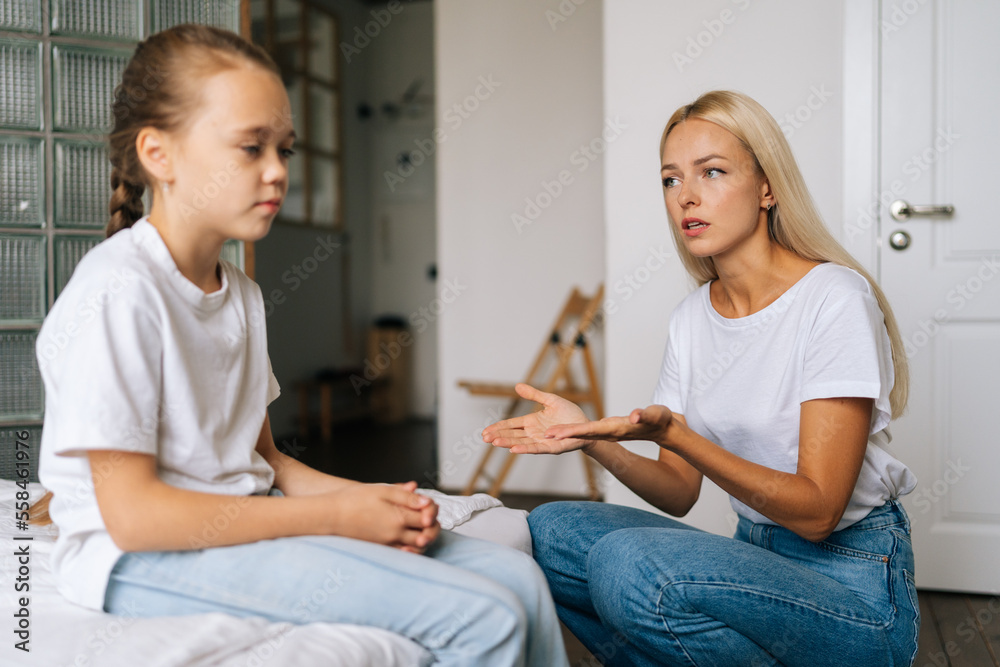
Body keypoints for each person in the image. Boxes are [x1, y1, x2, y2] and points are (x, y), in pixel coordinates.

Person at [33, 24, 567, 667]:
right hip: (137, 558)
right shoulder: (118, 292)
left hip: (234, 527)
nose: (277, 172)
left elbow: (266, 461)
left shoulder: (241, 294)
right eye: (250, 147)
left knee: (521, 582)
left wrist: (368, 501)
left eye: (284, 150)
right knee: (488, 616)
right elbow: (135, 517)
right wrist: (335, 518)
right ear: (159, 154)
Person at [483, 90, 919, 666]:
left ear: (767, 188)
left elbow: (818, 514)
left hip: (852, 587)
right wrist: (589, 438)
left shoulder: (833, 299)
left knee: (630, 564)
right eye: (671, 179)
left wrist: (679, 436)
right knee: (550, 531)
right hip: (756, 562)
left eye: (712, 172)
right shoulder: (692, 318)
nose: (685, 195)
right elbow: (679, 491)